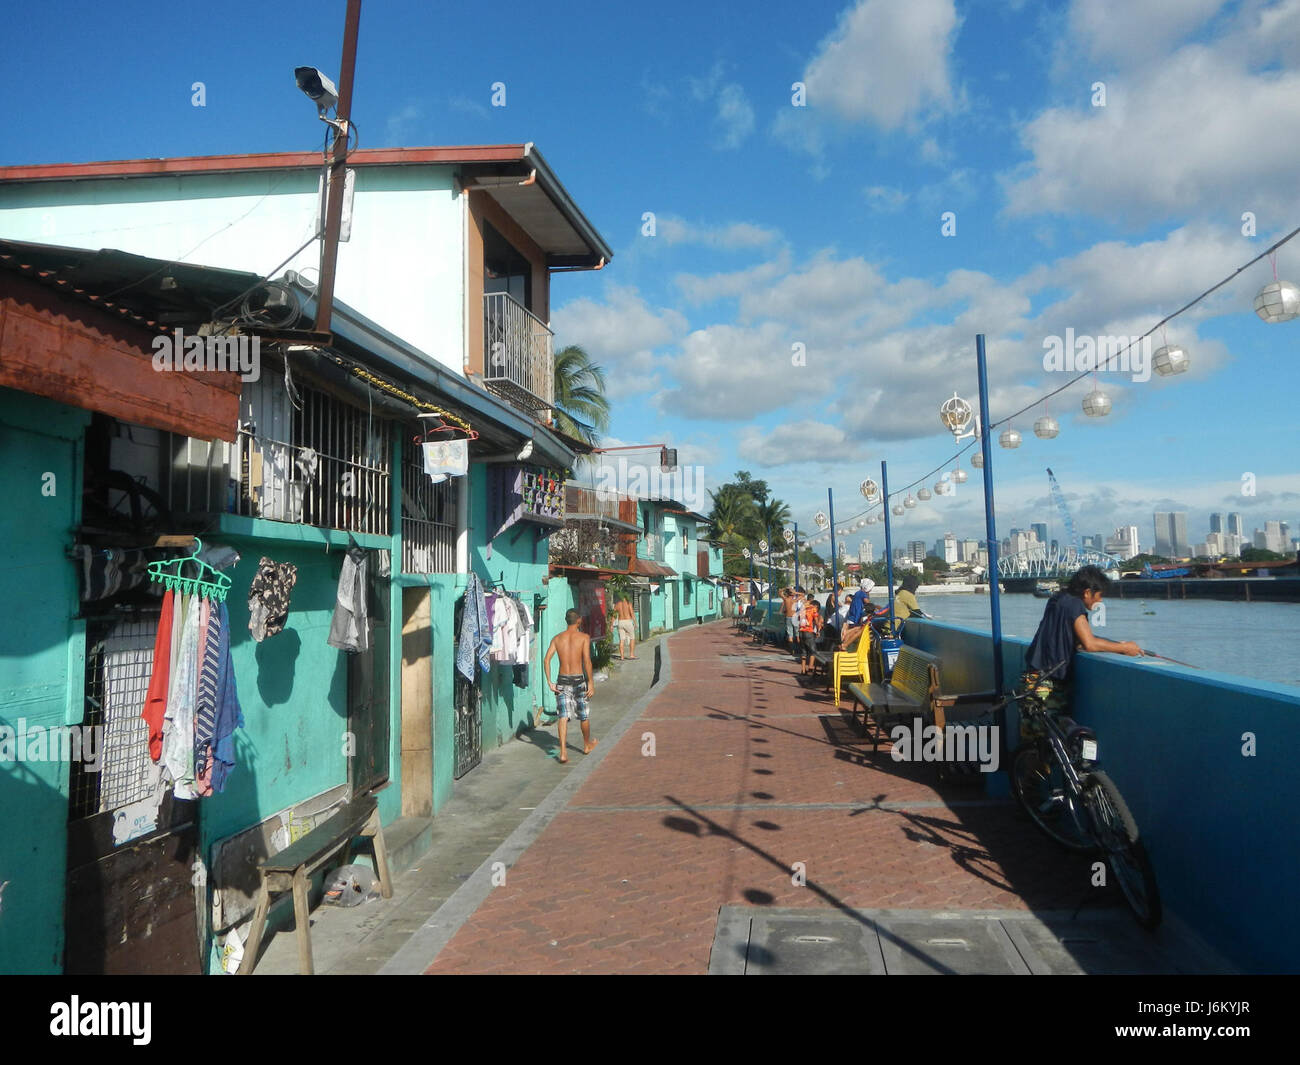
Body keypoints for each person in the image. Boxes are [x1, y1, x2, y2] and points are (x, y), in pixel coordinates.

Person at [1022, 565, 1142, 726]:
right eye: (1099, 595)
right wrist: (1124, 648)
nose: (1100, 600)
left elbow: (1077, 638)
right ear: (1087, 592)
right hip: (1048, 684)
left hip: (1033, 678)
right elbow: (1089, 643)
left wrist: (1114, 644)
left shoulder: (1058, 599)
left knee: (1034, 738)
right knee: (1051, 737)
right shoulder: (1075, 605)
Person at [542, 609, 598, 763]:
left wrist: (549, 682)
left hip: (562, 681)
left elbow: (546, 660)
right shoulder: (584, 638)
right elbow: (587, 660)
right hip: (579, 680)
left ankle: (563, 753)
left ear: (566, 620)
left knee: (563, 716)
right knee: (583, 715)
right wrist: (590, 683)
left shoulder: (557, 638)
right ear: (579, 620)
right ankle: (586, 745)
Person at [798, 593, 821, 675]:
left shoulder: (803, 610)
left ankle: (803, 670)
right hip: (809, 632)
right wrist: (818, 631)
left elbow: (799, 620)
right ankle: (810, 668)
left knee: (803, 652)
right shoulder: (813, 610)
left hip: (801, 632)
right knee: (813, 651)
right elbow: (817, 622)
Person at [614, 593, 637, 660]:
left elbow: (613, 615)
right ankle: (632, 655)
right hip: (628, 621)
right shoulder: (628, 603)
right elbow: (632, 613)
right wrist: (635, 623)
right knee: (632, 638)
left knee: (621, 640)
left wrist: (611, 625)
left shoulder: (617, 604)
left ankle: (622, 657)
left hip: (620, 622)